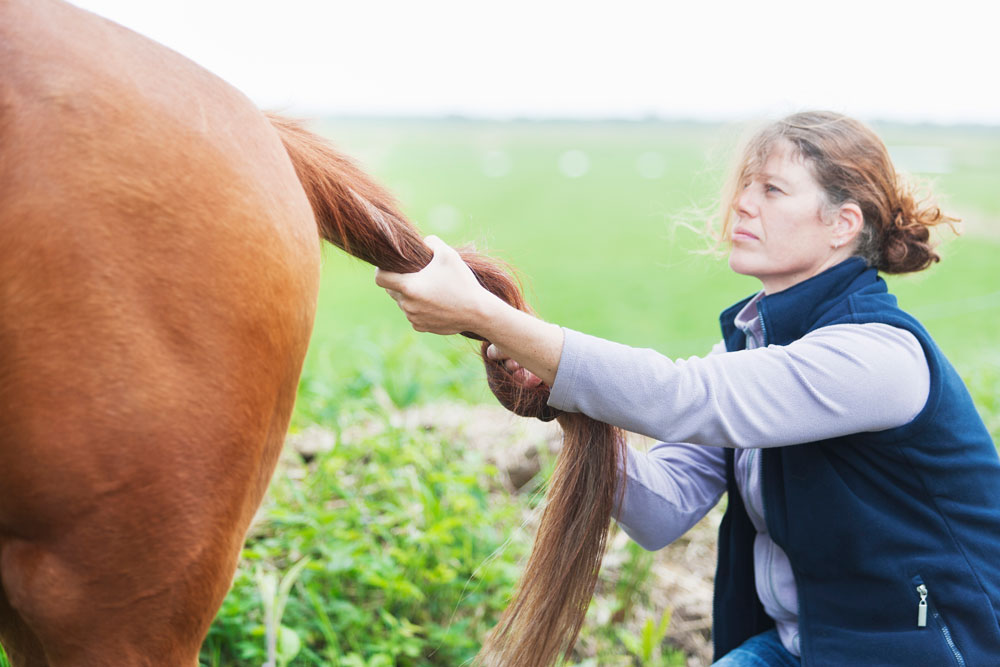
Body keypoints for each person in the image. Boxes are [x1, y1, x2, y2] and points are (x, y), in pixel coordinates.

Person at [374, 111, 1000, 665]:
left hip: (913, 650)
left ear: (842, 224)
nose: (742, 205)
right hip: (795, 646)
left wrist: (487, 317)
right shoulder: (754, 346)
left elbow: (686, 399)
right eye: (745, 187)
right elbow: (660, 508)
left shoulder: (875, 357)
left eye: (772, 190)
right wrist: (562, 400)